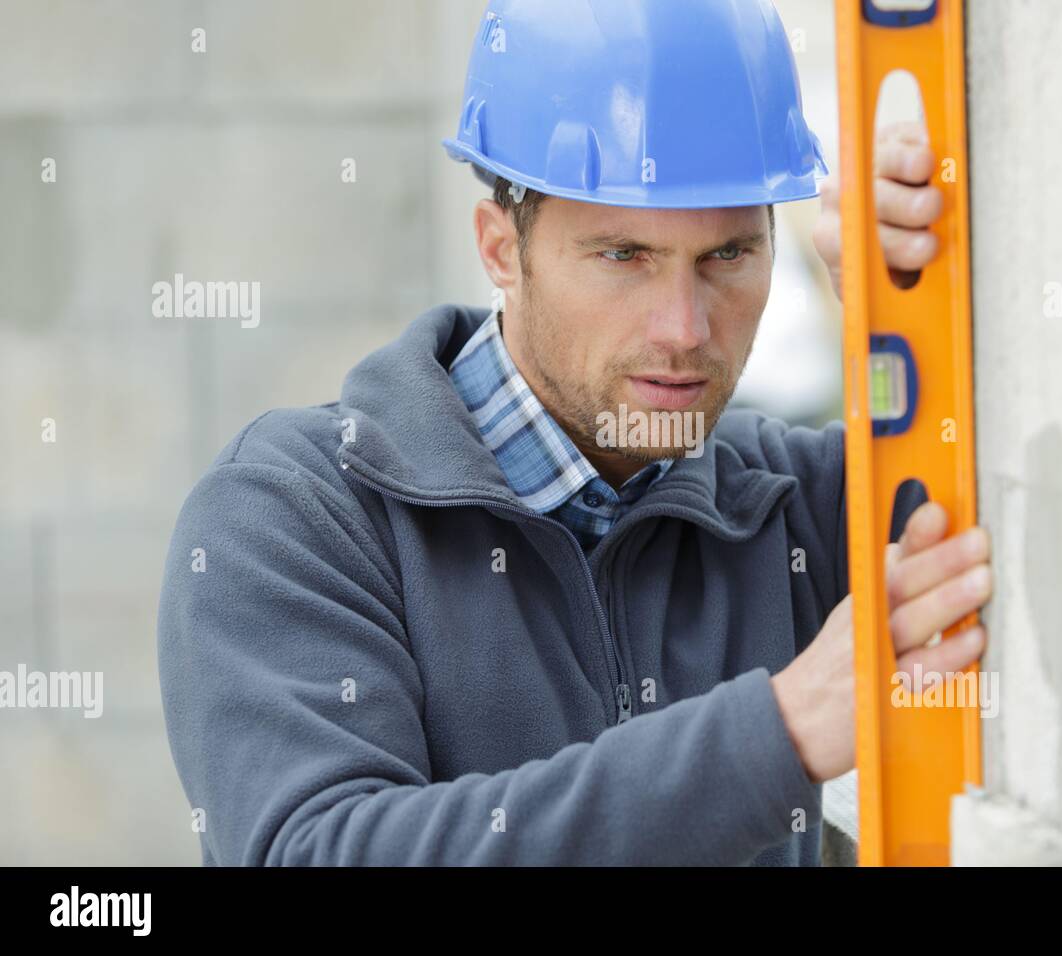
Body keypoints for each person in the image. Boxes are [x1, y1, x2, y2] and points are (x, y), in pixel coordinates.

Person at [157, 0, 992, 866]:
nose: (683, 328)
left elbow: (1027, 499)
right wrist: (776, 736)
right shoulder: (293, 516)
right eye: (623, 255)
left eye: (727, 257)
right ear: (499, 249)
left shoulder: (798, 508)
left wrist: (905, 303)